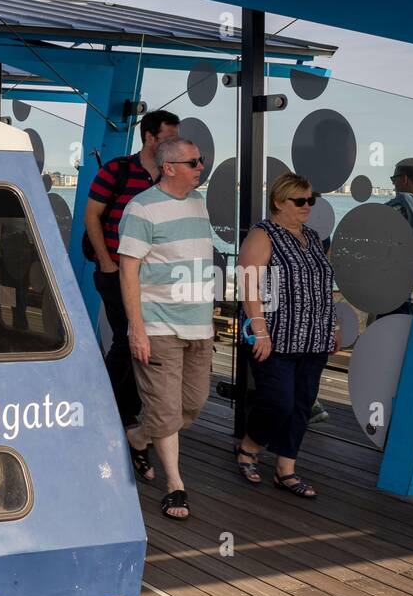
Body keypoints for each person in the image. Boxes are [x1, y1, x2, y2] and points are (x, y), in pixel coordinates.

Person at [117, 136, 216, 520]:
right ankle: (176, 485)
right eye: (194, 162)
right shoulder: (141, 208)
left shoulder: (198, 203)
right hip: (158, 326)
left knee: (193, 403)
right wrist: (137, 329)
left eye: (201, 161)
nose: (201, 167)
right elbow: (129, 269)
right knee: (165, 407)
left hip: (199, 326)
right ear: (169, 167)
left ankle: (137, 437)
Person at [233, 173, 339, 498]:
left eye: (311, 200)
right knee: (278, 401)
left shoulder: (312, 236)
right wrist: (259, 331)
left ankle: (285, 469)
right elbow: (247, 282)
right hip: (275, 337)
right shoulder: (264, 235)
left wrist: (332, 326)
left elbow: (324, 287)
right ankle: (250, 446)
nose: (308, 206)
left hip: (313, 338)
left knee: (302, 404)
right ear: (279, 202)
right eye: (300, 201)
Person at [84, 109, 181, 458]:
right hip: (116, 272)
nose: (174, 145)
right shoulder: (117, 171)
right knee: (128, 340)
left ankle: (122, 412)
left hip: (153, 279)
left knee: (144, 344)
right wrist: (107, 263)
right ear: (151, 137)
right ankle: (105, 407)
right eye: (169, 138)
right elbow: (92, 215)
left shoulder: (169, 179)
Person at [386, 157, 413, 316]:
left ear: (404, 179)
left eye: (393, 179)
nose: (393, 184)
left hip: (398, 298)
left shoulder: (399, 207)